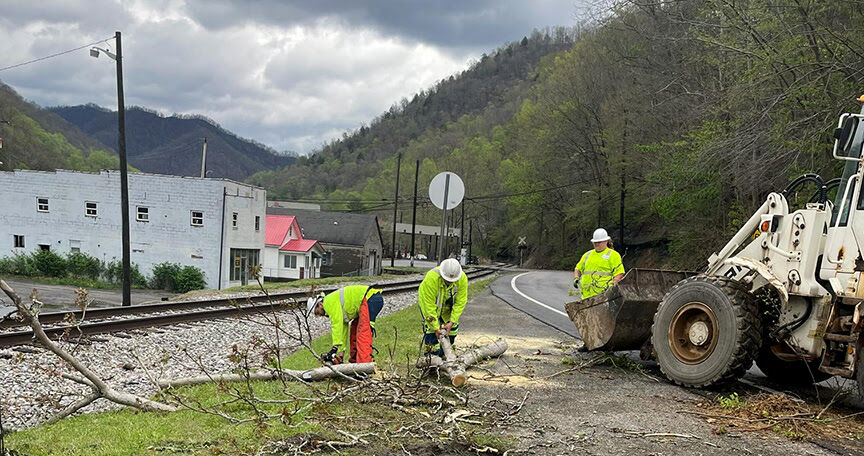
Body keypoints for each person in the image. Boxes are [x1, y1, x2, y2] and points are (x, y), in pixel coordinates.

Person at [307, 285, 384, 364]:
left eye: (317, 312)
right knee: (354, 330)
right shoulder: (331, 303)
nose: (319, 315)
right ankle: (355, 364)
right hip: (368, 300)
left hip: (369, 299)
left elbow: (336, 326)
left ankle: (364, 368)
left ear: (320, 304)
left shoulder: (329, 304)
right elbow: (342, 330)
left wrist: (334, 348)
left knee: (363, 335)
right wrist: (340, 356)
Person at [418, 258, 468, 355]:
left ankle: (446, 356)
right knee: (431, 333)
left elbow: (460, 302)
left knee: (452, 332)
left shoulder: (462, 278)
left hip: (448, 307)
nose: (449, 282)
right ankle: (431, 359)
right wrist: (436, 328)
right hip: (431, 307)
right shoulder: (431, 278)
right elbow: (429, 307)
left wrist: (452, 321)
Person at [573, 228, 625, 300]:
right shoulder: (587, 255)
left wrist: (613, 286)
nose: (597, 244)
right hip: (586, 296)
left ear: (606, 241)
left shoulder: (613, 255)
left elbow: (619, 273)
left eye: (599, 242)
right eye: (595, 242)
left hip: (603, 296)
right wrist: (576, 278)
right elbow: (578, 268)